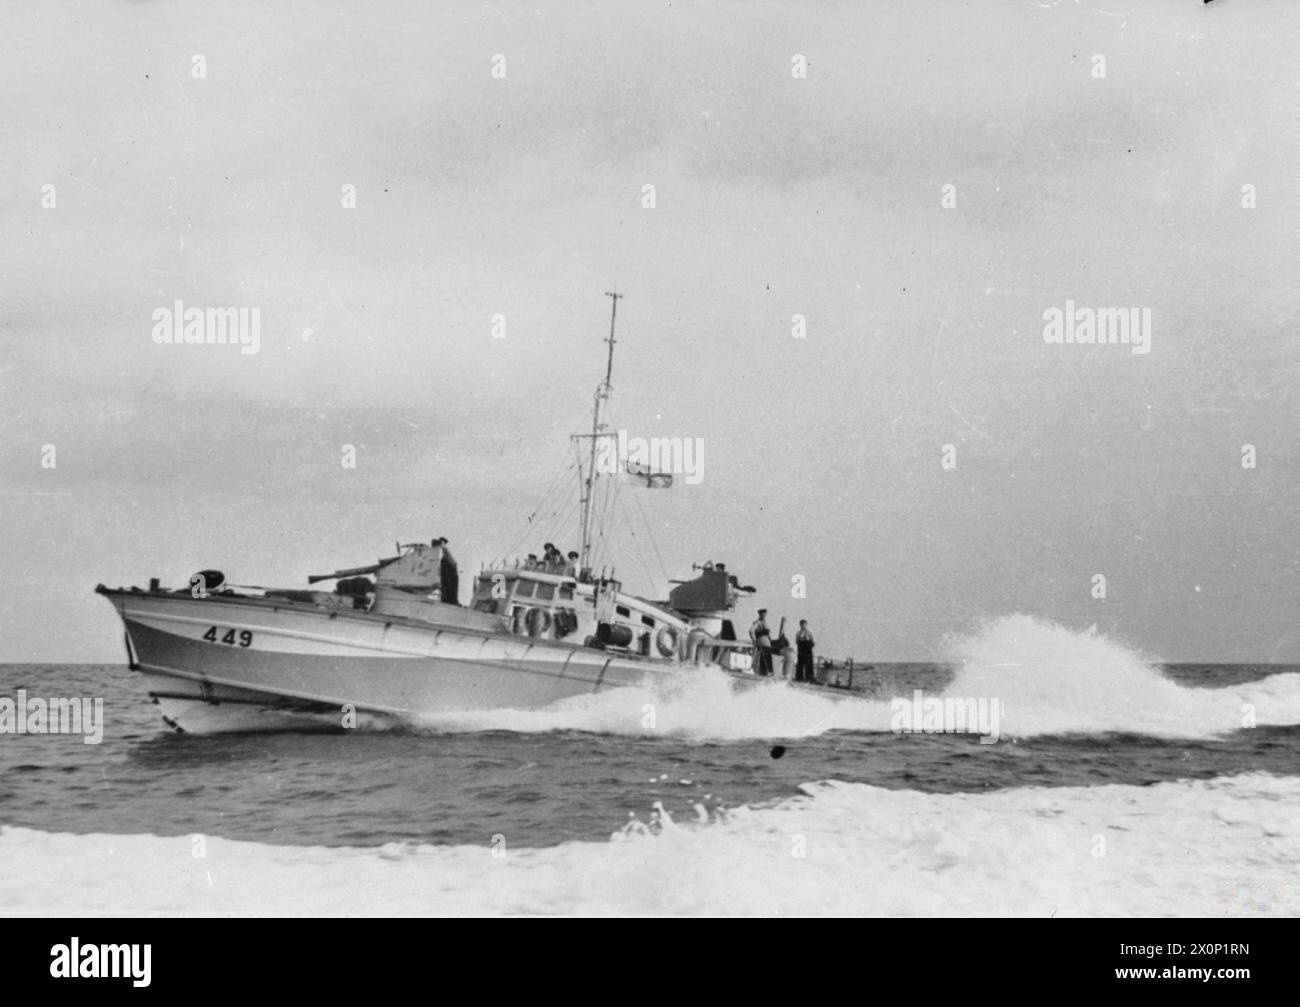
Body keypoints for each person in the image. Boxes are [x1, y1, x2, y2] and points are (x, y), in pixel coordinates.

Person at [749, 608, 773, 677]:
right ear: (759, 614)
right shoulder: (757, 622)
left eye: (764, 614)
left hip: (767, 643)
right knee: (766, 659)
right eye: (762, 614)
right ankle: (766, 673)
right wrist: (754, 641)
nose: (764, 615)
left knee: (766, 659)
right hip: (762, 643)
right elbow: (751, 631)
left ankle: (764, 673)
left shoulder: (765, 622)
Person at [438, 537, 460, 605]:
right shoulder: (445, 558)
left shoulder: (447, 557)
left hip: (449, 579)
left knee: (449, 590)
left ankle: (450, 600)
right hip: (447, 578)